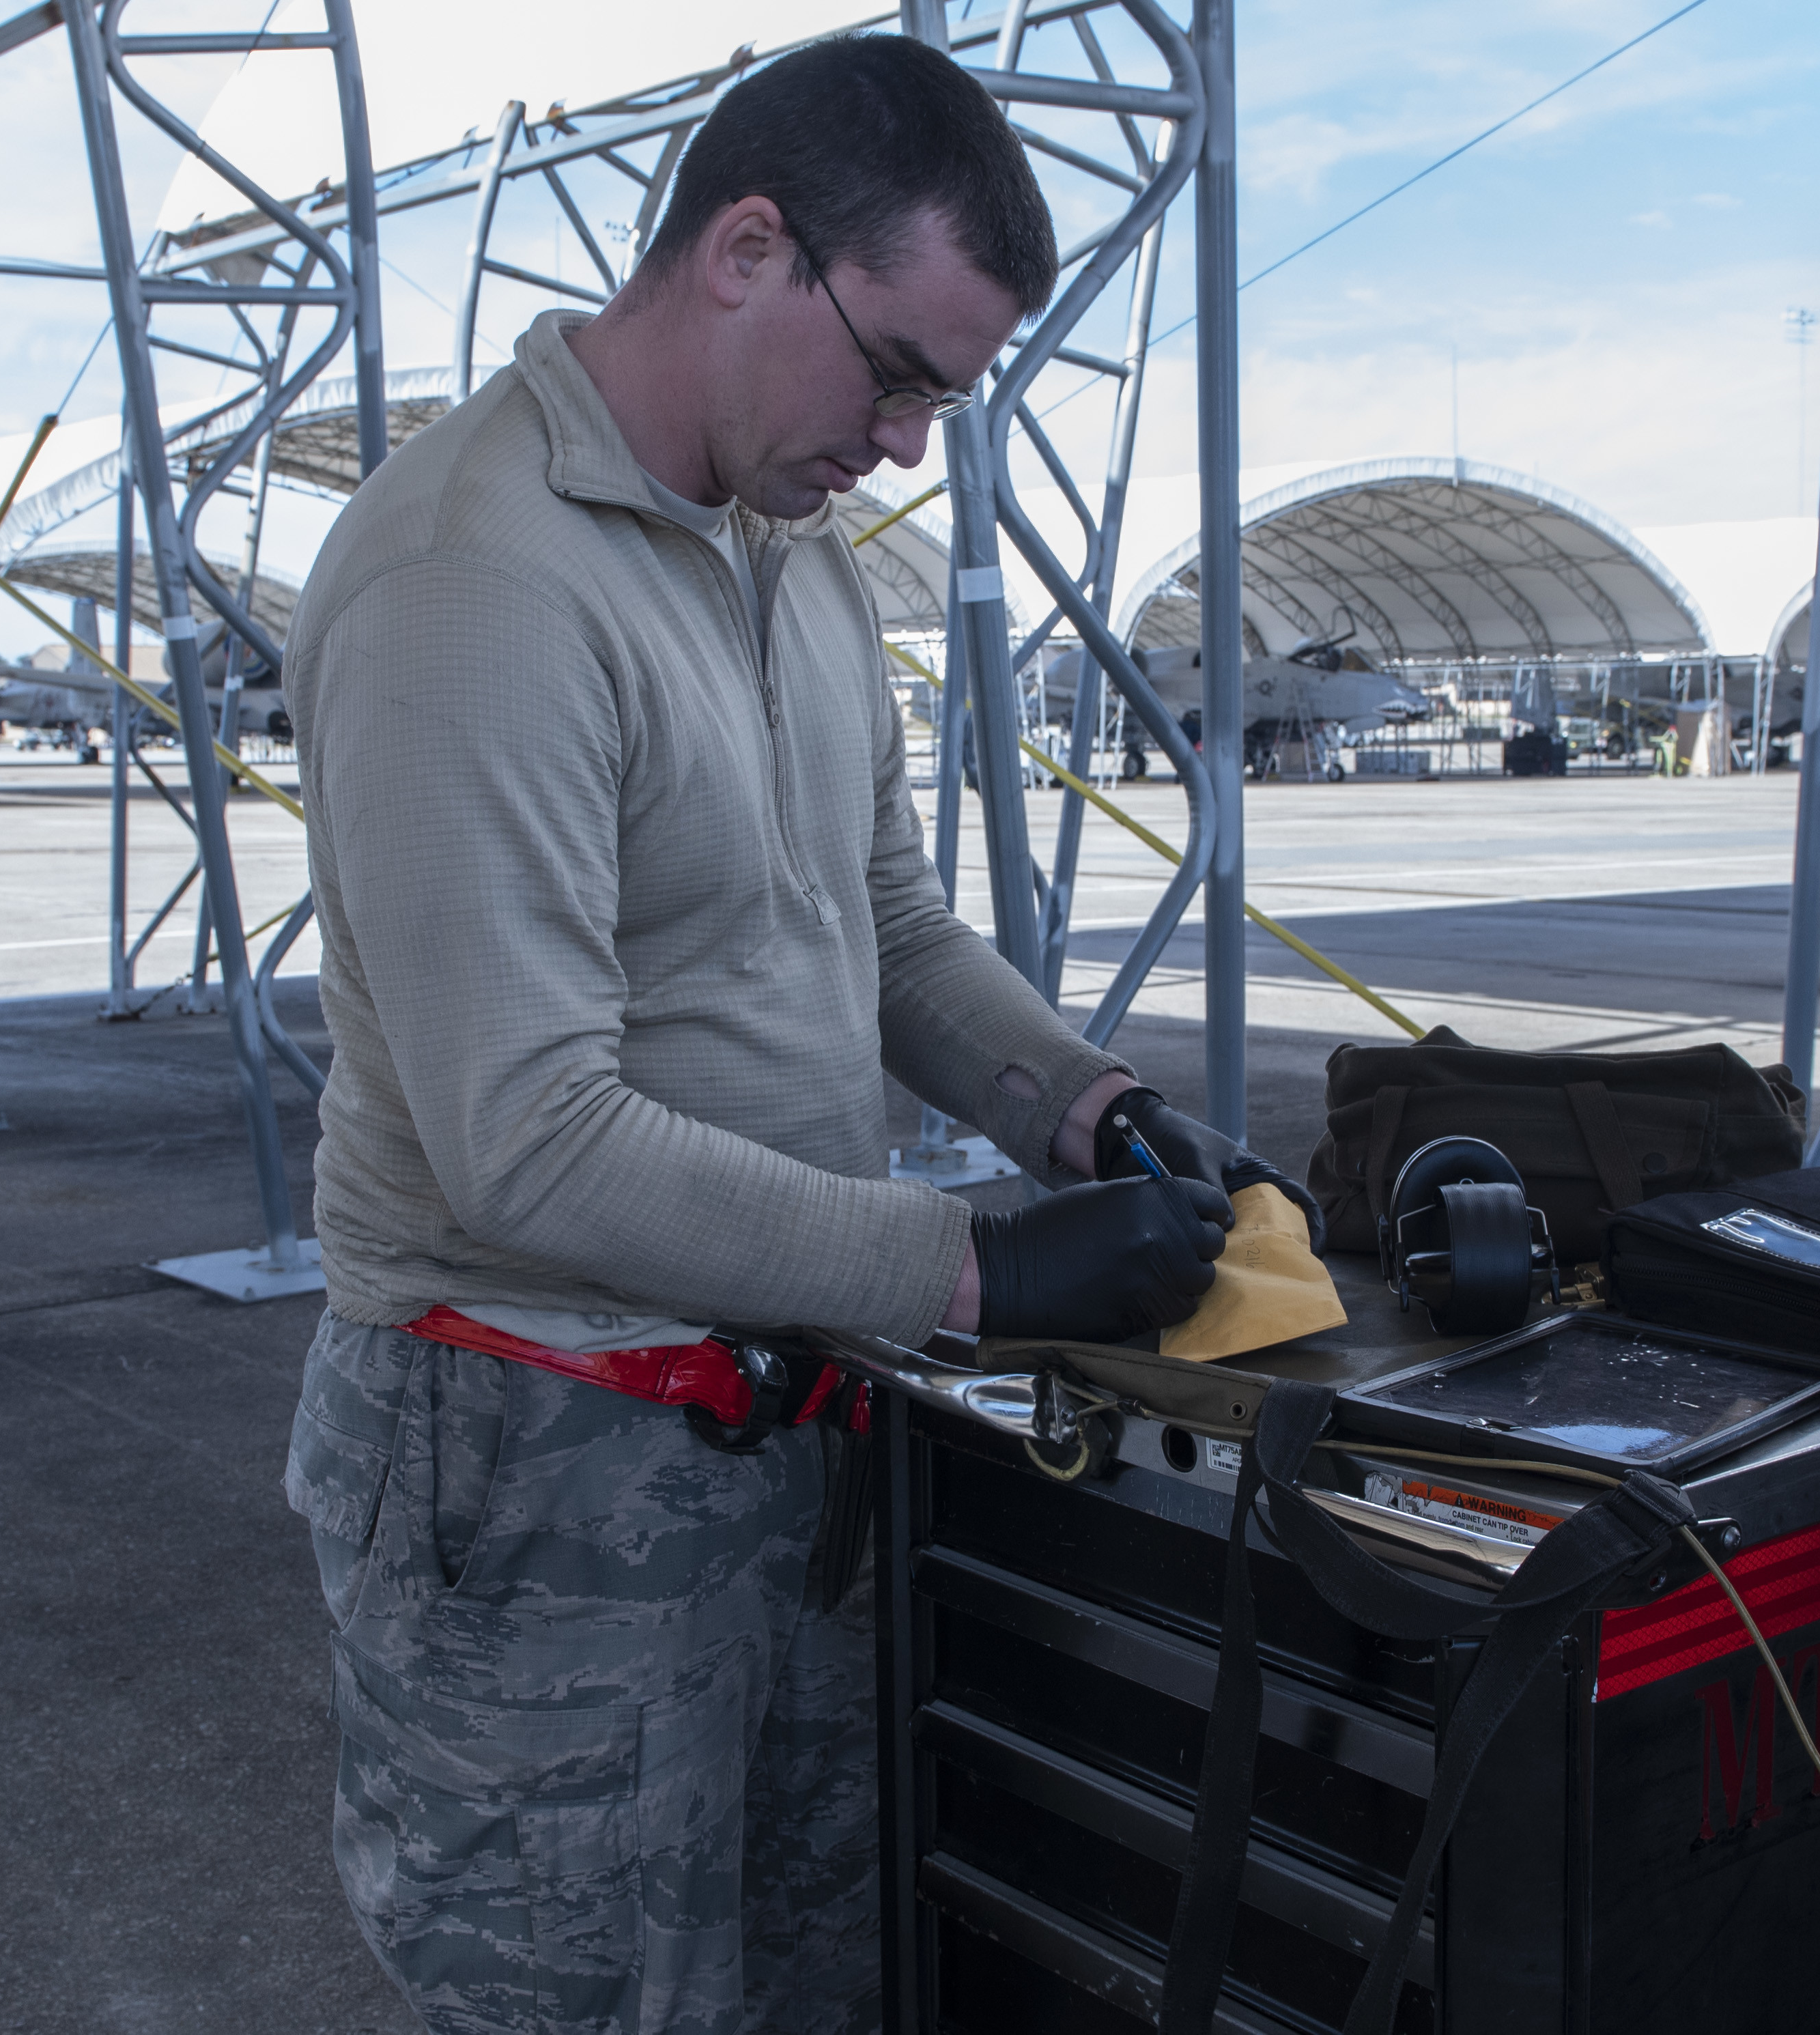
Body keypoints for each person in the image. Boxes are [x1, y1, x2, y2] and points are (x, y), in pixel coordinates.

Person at [276, 37, 1316, 2034]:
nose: (912, 442)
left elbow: (891, 933)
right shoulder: (470, 578)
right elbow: (536, 1144)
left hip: (796, 1418)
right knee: (589, 2000)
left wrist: (1093, 1117)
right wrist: (976, 1270)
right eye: (903, 371)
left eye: (948, 395)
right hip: (540, 1451)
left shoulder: (789, 562)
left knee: (831, 1977)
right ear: (748, 251)